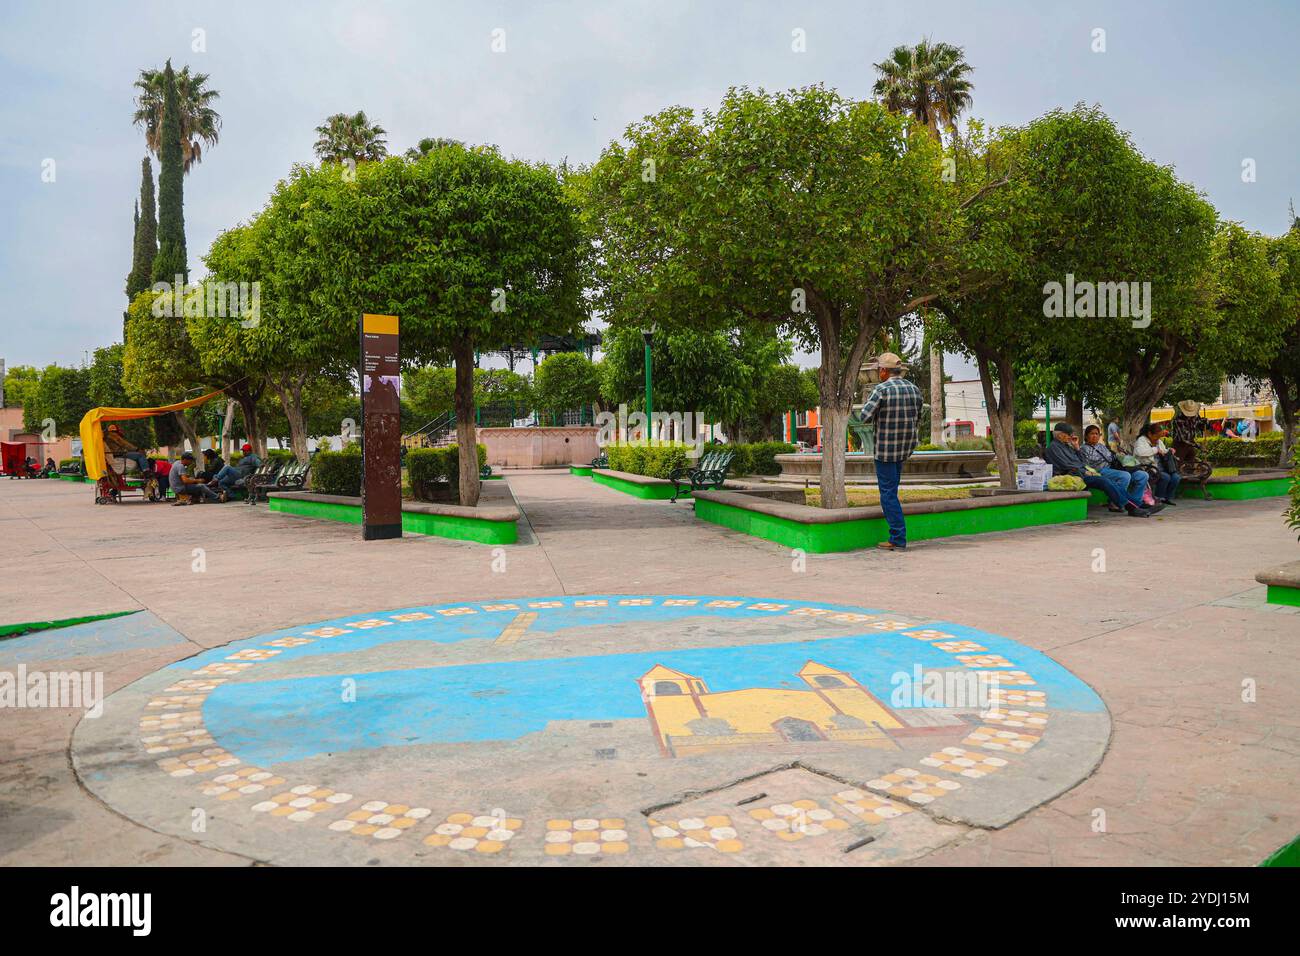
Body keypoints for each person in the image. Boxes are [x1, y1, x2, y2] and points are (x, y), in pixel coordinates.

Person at [856, 352, 924, 552]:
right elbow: (918, 417)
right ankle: (897, 534)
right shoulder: (914, 389)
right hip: (904, 449)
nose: (879, 373)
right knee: (892, 490)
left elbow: (863, 416)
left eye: (879, 370)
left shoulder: (881, 389)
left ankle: (897, 537)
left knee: (887, 494)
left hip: (885, 450)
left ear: (884, 371)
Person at [1044, 422, 1156, 517]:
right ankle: (1131, 507)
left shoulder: (1067, 446)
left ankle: (1136, 504)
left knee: (1110, 482)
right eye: (1069, 435)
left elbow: (1081, 462)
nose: (1071, 437)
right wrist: (1085, 471)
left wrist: (1077, 448)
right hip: (1074, 477)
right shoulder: (1053, 448)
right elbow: (1067, 466)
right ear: (1060, 435)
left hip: (1082, 474)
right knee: (1105, 481)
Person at [1079, 424, 1151, 512]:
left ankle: (1136, 502)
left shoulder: (1101, 446)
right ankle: (1114, 502)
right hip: (1099, 471)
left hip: (1113, 468)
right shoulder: (1083, 448)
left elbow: (1111, 457)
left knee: (1143, 475)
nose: (1095, 436)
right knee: (1125, 476)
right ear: (1086, 436)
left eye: (1097, 434)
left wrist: (1121, 456)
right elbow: (1086, 465)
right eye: (1092, 434)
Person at [1134, 423, 1181, 504]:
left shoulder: (1158, 441)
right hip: (1148, 468)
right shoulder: (1141, 440)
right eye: (1156, 436)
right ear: (1149, 434)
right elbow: (1140, 452)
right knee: (1165, 477)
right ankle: (1158, 498)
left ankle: (1167, 498)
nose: (1157, 439)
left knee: (1176, 477)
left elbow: (1163, 451)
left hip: (1162, 466)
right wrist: (1155, 450)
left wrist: (1170, 450)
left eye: (1159, 437)